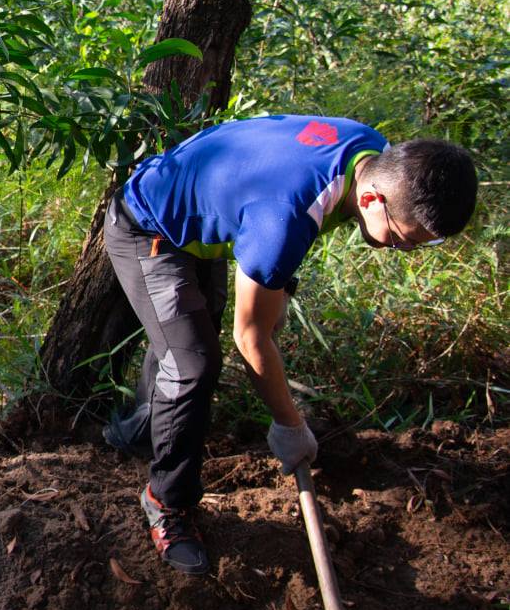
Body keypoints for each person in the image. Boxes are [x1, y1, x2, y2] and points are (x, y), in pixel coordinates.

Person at [102, 116, 477, 576]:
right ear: (373, 199)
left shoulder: (370, 152)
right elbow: (251, 338)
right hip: (149, 225)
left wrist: (277, 284)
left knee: (182, 343)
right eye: (401, 241)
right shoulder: (287, 215)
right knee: (194, 363)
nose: (400, 251)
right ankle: (168, 503)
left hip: (208, 219)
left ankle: (138, 431)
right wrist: (289, 425)